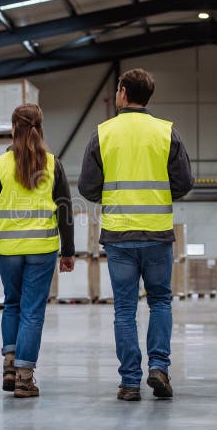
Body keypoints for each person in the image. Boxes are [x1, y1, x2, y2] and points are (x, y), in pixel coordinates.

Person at [78, 69, 194, 402]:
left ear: (124, 93)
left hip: (119, 235)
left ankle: (130, 381)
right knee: (160, 302)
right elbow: (184, 182)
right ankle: (159, 367)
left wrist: (113, 196)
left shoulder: (103, 133)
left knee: (125, 310)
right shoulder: (166, 132)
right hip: (157, 234)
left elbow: (87, 186)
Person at [0, 104, 75, 398]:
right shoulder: (53, 164)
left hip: (8, 249)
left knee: (12, 303)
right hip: (42, 249)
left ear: (13, 129)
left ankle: (10, 364)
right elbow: (65, 210)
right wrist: (68, 251)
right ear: (40, 129)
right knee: (32, 311)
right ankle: (24, 377)